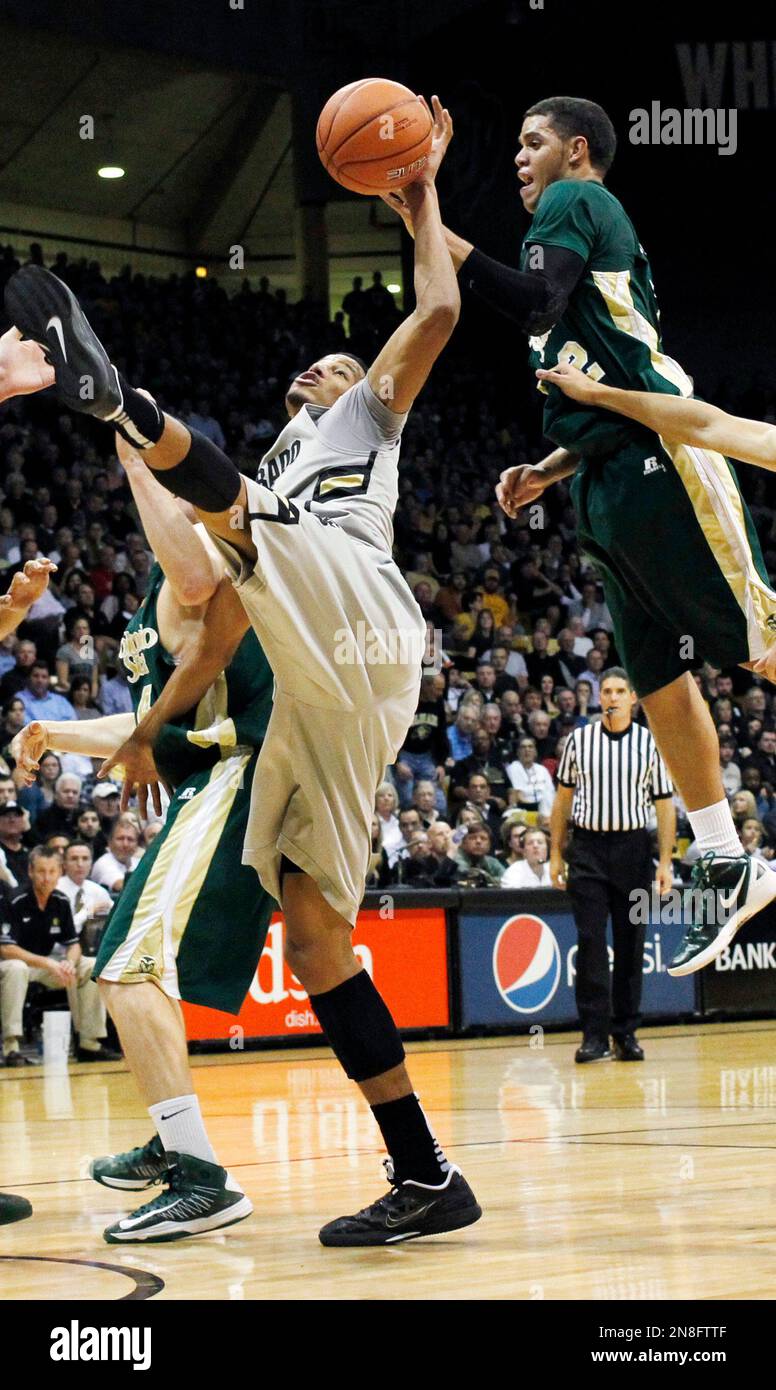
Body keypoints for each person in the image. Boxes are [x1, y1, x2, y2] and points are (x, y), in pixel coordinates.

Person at [3, 96, 482, 1246]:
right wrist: (150, 721)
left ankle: (119, 397)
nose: (325, 367)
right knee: (318, 940)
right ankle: (425, 1174)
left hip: (361, 611)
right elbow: (212, 624)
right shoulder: (268, 462)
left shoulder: (365, 421)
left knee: (243, 519)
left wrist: (419, 197)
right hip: (317, 690)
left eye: (337, 358)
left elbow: (440, 305)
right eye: (310, 365)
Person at [405, 91, 776, 981]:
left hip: (661, 458)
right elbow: (548, 328)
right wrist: (553, 468)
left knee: (762, 647)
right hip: (609, 472)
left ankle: (730, 857)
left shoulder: (581, 199)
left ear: (576, 150)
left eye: (533, 142)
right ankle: (726, 856)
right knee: (658, 678)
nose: (522, 158)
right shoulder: (571, 237)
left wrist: (432, 207)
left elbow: (530, 297)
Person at [13, 442, 276, 1243]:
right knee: (132, 969)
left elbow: (196, 573)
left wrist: (131, 446)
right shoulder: (156, 606)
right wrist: (54, 729)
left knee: (126, 968)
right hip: (211, 776)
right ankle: (175, 1145)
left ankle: (202, 1175)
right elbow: (147, 732)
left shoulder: (207, 579)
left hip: (237, 771)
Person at [550, 668, 675, 1062]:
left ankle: (626, 1033)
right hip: (586, 850)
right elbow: (562, 801)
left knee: (630, 944)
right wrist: (556, 852)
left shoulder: (649, 744)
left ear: (633, 697)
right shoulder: (578, 742)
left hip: (633, 850)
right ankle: (593, 1036)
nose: (613, 697)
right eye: (607, 691)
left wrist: (666, 861)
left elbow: (664, 804)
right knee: (590, 942)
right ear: (598, 696)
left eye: (621, 690)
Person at [0, 843, 115, 1064]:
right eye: (41, 871)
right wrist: (49, 964)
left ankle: (89, 1044)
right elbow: (6, 948)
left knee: (90, 966)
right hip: (11, 964)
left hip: (44, 966)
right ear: (31, 872)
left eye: (52, 872)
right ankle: (11, 1047)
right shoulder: (14, 900)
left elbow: (73, 944)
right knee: (17, 968)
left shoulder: (60, 901)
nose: (46, 878)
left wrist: (69, 963)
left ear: (59, 872)